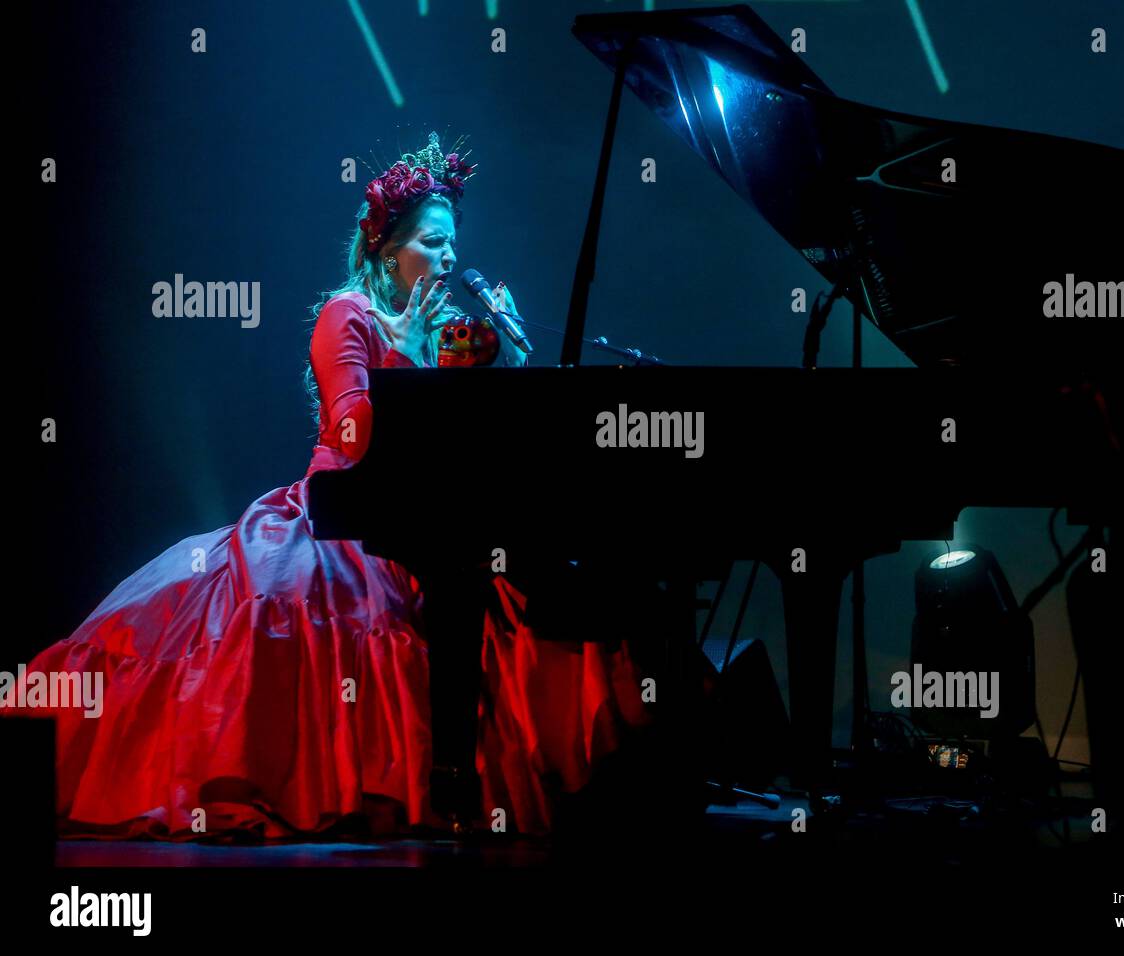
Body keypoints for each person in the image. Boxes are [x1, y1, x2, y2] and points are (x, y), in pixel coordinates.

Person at [2, 132, 654, 841]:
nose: (448, 259)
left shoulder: (453, 333)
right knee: (283, 614)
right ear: (386, 248)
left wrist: (513, 362)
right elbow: (353, 437)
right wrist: (403, 349)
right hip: (347, 515)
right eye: (433, 243)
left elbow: (476, 445)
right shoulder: (350, 315)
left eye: (452, 246)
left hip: (435, 520)